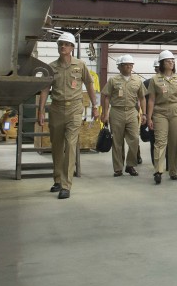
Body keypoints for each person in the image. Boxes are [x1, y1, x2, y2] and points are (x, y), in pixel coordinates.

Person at [37, 32, 98, 200]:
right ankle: (57, 179)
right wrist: (40, 111)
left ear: (72, 47)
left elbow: (90, 84)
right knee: (57, 146)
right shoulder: (50, 67)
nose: (62, 46)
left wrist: (95, 106)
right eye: (60, 44)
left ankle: (66, 185)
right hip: (56, 109)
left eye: (65, 44)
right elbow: (45, 90)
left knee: (71, 145)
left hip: (75, 109)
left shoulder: (80, 65)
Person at [100, 54, 146, 178]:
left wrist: (144, 114)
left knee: (134, 139)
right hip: (116, 112)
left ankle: (130, 165)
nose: (128, 67)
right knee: (117, 141)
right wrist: (105, 113)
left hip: (132, 112)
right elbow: (106, 97)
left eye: (130, 65)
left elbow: (142, 98)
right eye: (125, 65)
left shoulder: (137, 81)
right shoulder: (113, 80)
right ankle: (118, 168)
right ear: (119, 67)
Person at [146, 50, 177, 184]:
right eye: (168, 61)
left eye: (173, 61)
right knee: (160, 141)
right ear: (162, 63)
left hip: (176, 112)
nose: (171, 63)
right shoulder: (154, 79)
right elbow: (151, 100)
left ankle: (173, 171)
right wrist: (149, 117)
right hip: (160, 112)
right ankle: (158, 171)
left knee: (174, 142)